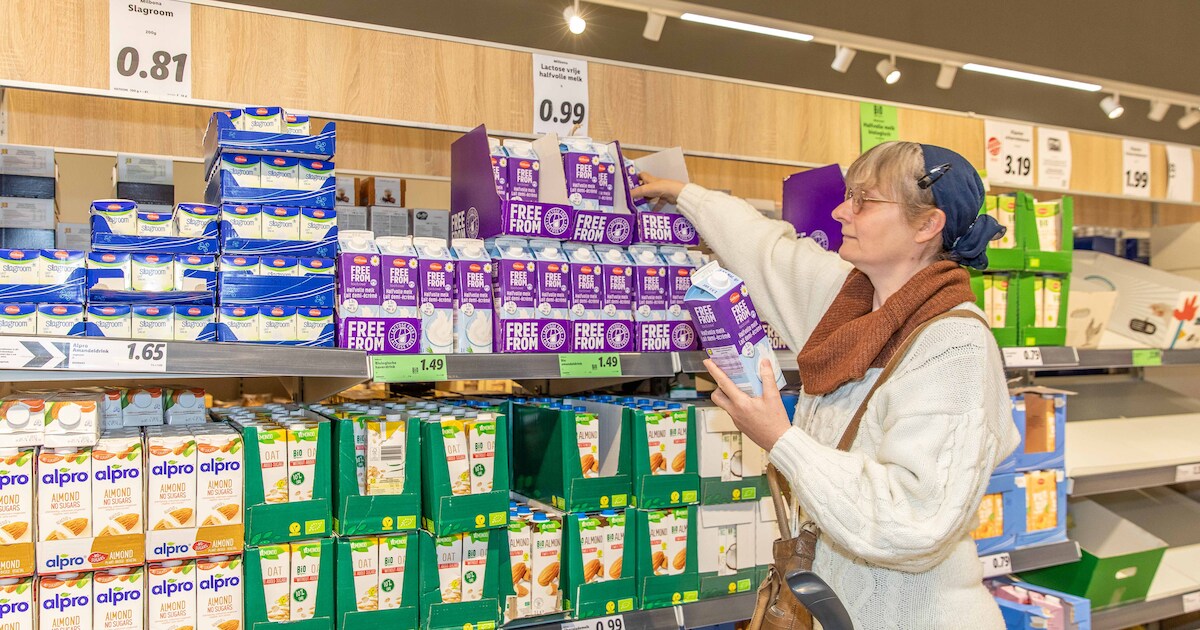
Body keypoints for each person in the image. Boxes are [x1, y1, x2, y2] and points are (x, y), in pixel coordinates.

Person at [632, 141, 1020, 629]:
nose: (840, 211)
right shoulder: (853, 302)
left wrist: (781, 438)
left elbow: (915, 523)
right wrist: (684, 193)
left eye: (864, 200)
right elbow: (765, 251)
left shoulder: (954, 345)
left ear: (927, 224)